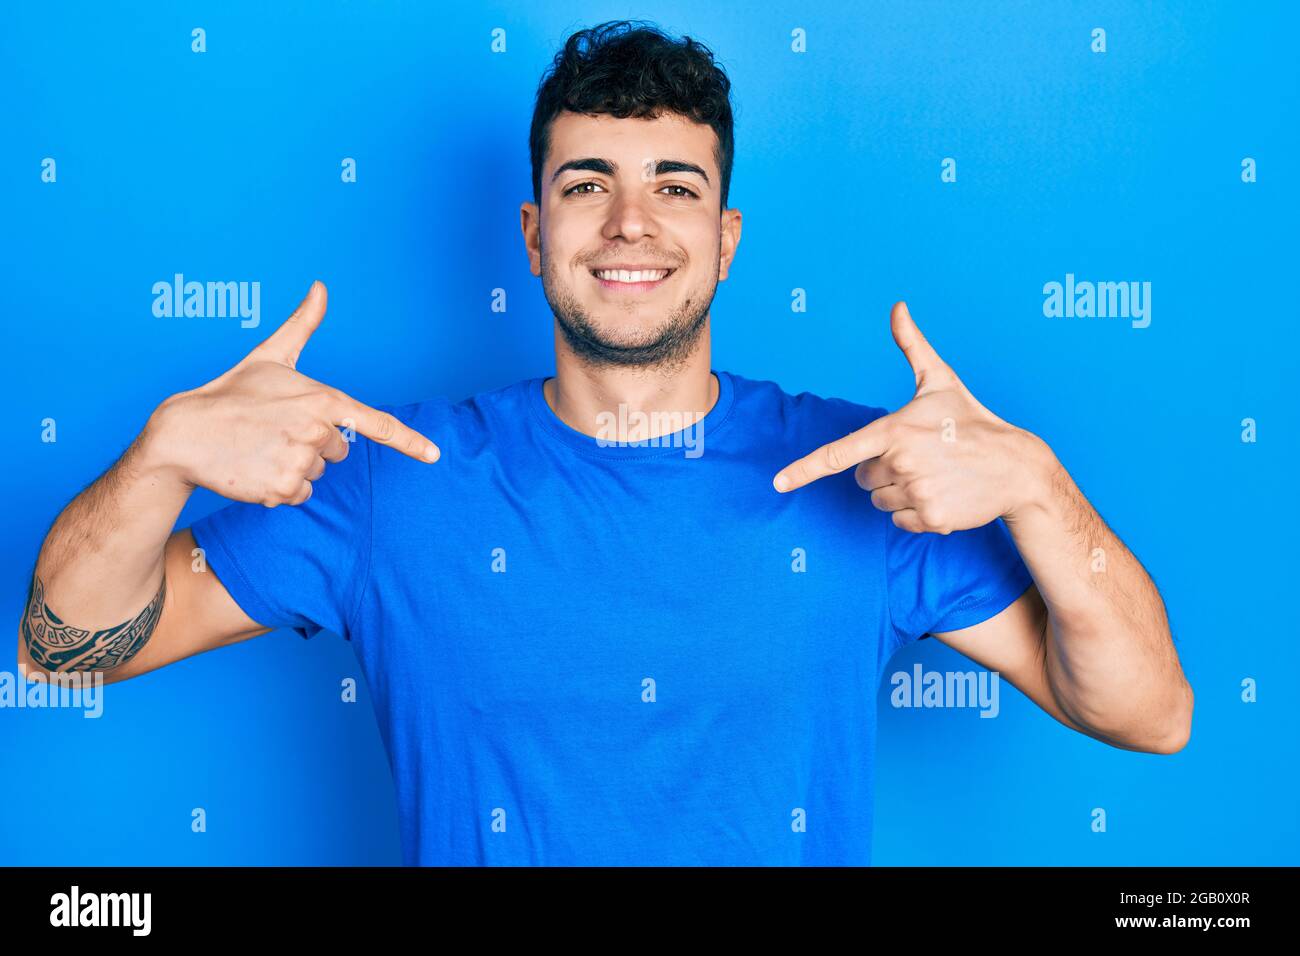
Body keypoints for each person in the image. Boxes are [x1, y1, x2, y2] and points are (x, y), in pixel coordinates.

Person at [16, 20, 1192, 865]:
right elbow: (66, 650)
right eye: (587, 185)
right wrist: (159, 456)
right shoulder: (383, 477)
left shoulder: (867, 474)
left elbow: (1148, 712)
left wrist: (1041, 489)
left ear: (725, 238)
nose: (631, 222)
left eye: (674, 186)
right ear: (533, 233)